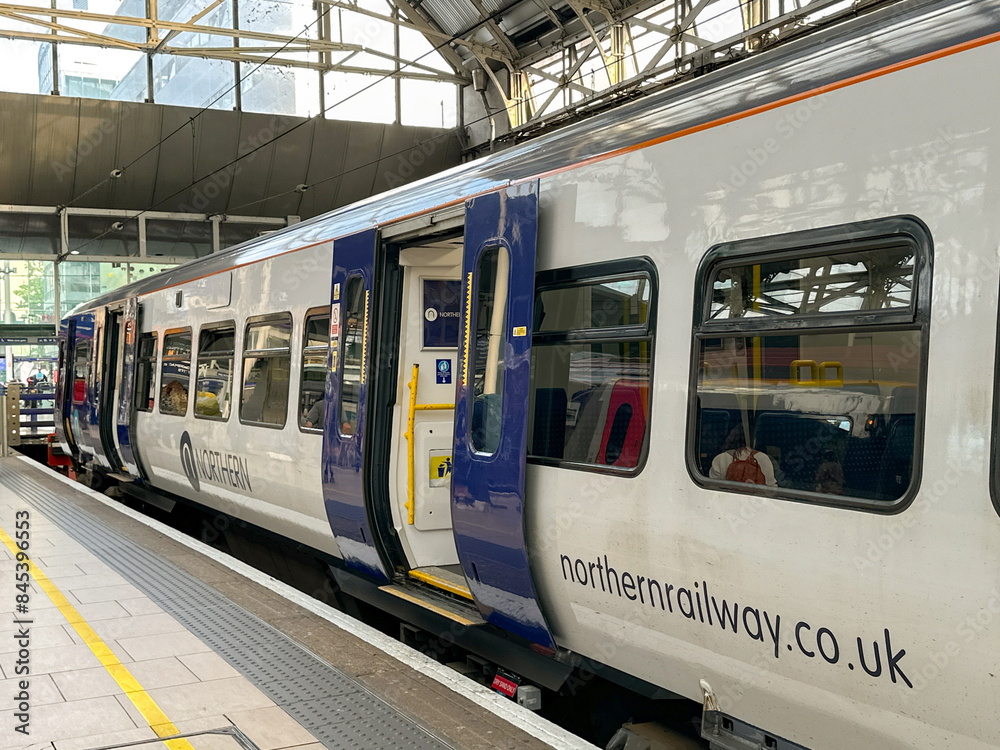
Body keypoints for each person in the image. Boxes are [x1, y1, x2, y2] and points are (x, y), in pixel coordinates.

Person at [710, 424, 777, 486]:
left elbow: (712, 488)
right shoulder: (763, 458)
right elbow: (772, 490)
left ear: (730, 438)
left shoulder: (720, 459)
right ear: (754, 439)